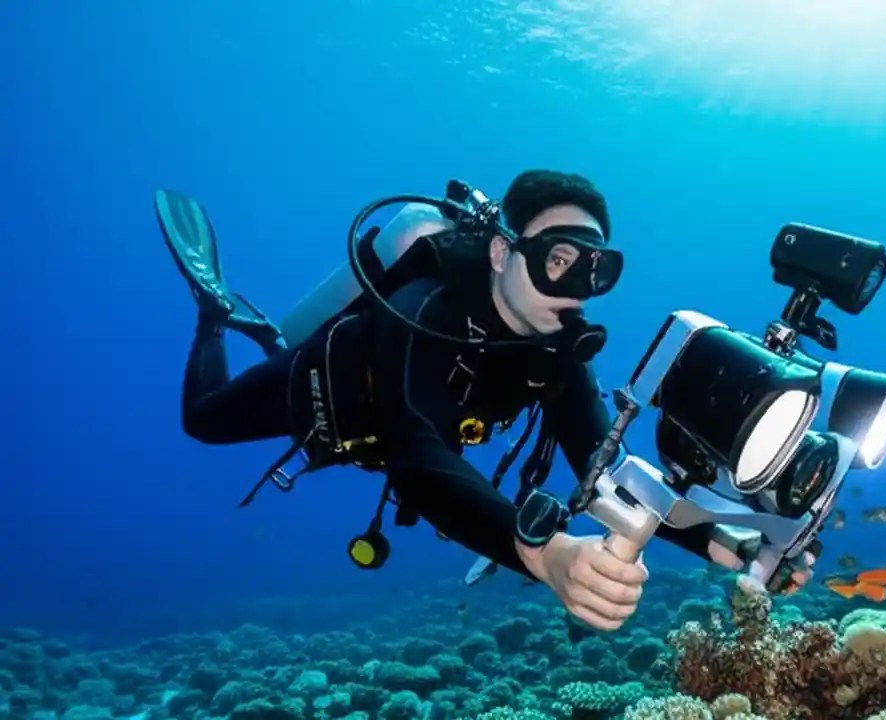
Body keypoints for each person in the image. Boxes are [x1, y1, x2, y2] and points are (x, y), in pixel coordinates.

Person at [159, 170, 813, 632]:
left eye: (594, 270)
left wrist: (730, 542)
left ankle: (244, 324)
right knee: (203, 420)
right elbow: (415, 456)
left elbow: (607, 470)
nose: (575, 289)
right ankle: (214, 314)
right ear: (502, 252)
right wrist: (544, 553)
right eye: (558, 260)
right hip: (326, 394)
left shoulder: (556, 352)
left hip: (400, 438)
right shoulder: (424, 307)